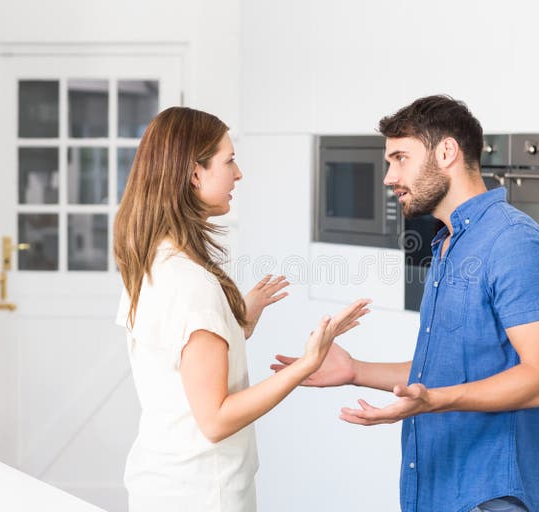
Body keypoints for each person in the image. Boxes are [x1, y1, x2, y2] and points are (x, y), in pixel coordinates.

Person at [272, 95, 539, 512]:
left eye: (400, 158)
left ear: (447, 151)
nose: (389, 177)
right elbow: (444, 371)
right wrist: (356, 371)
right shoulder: (448, 244)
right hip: (436, 488)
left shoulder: (514, 243)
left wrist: (437, 401)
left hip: (487, 497)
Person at [113, 106, 370, 512]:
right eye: (229, 160)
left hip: (162, 485)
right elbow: (215, 420)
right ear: (195, 174)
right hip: (202, 495)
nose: (239, 173)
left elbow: (181, 359)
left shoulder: (149, 263)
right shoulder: (192, 285)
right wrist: (309, 362)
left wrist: (236, 323)